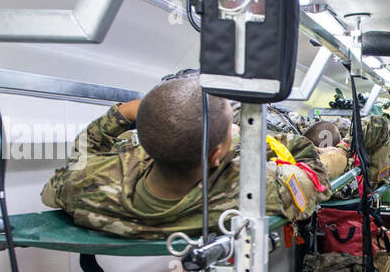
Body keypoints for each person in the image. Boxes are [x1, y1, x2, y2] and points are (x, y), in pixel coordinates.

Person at [42, 76, 325, 237]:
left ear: (145, 145)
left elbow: (80, 159)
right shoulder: (258, 189)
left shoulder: (83, 186)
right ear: (216, 155)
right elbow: (316, 176)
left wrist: (125, 113)